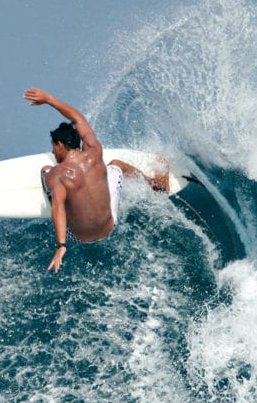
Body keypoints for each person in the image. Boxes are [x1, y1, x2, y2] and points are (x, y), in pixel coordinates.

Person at [24, 87, 169, 272]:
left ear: (60, 145)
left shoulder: (57, 175)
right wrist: (50, 99)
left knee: (46, 172)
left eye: (53, 147)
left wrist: (61, 246)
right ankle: (155, 183)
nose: (52, 151)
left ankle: (57, 192)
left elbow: (58, 208)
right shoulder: (95, 151)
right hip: (110, 224)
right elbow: (78, 119)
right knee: (116, 164)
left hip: (78, 236)